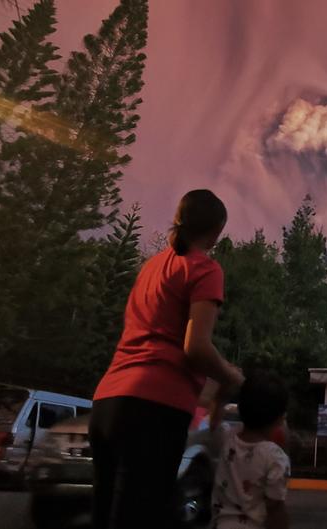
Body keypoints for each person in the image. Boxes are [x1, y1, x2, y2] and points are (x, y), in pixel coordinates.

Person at [89, 190, 244, 529]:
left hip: (106, 403)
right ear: (217, 231)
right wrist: (231, 377)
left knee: (108, 515)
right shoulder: (205, 268)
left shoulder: (151, 267)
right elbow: (196, 348)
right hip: (153, 410)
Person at [211, 372, 291, 529]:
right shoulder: (275, 458)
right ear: (280, 418)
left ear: (240, 409)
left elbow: (213, 422)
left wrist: (221, 394)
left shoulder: (227, 438)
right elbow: (276, 510)